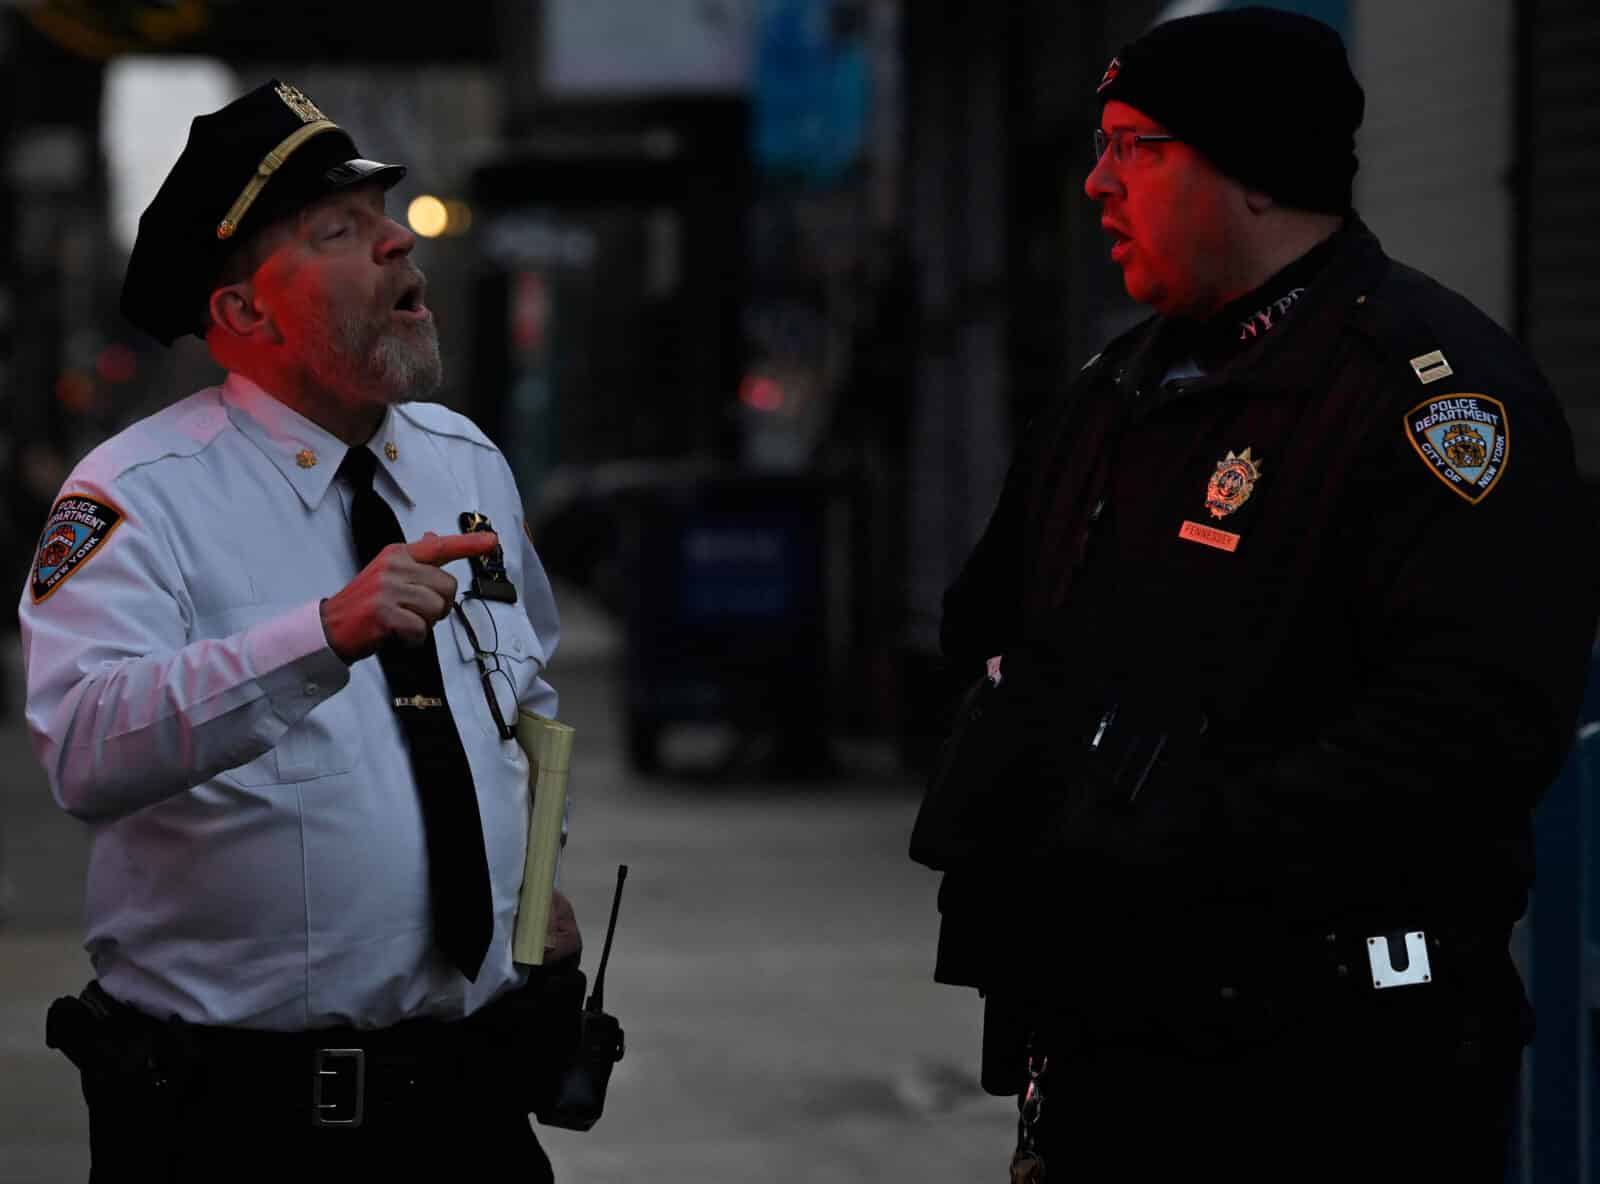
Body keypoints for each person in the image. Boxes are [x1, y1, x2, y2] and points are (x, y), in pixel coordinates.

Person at [917, 8, 1598, 1182]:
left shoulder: (1435, 400)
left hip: (1344, 1067)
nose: (1095, 181)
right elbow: (984, 631)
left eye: (1134, 144)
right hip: (1109, 1053)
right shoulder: (1116, 392)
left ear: (1250, 172)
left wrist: (1162, 828)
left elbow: (1472, 733)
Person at [18, 80, 587, 1181]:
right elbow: (82, 744)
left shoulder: (462, 461)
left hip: (473, 1109)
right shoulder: (137, 496)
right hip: (240, 1125)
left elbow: (528, 707)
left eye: (385, 218)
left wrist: (531, 880)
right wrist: (322, 634)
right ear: (245, 313)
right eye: (339, 230)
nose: (390, 243)